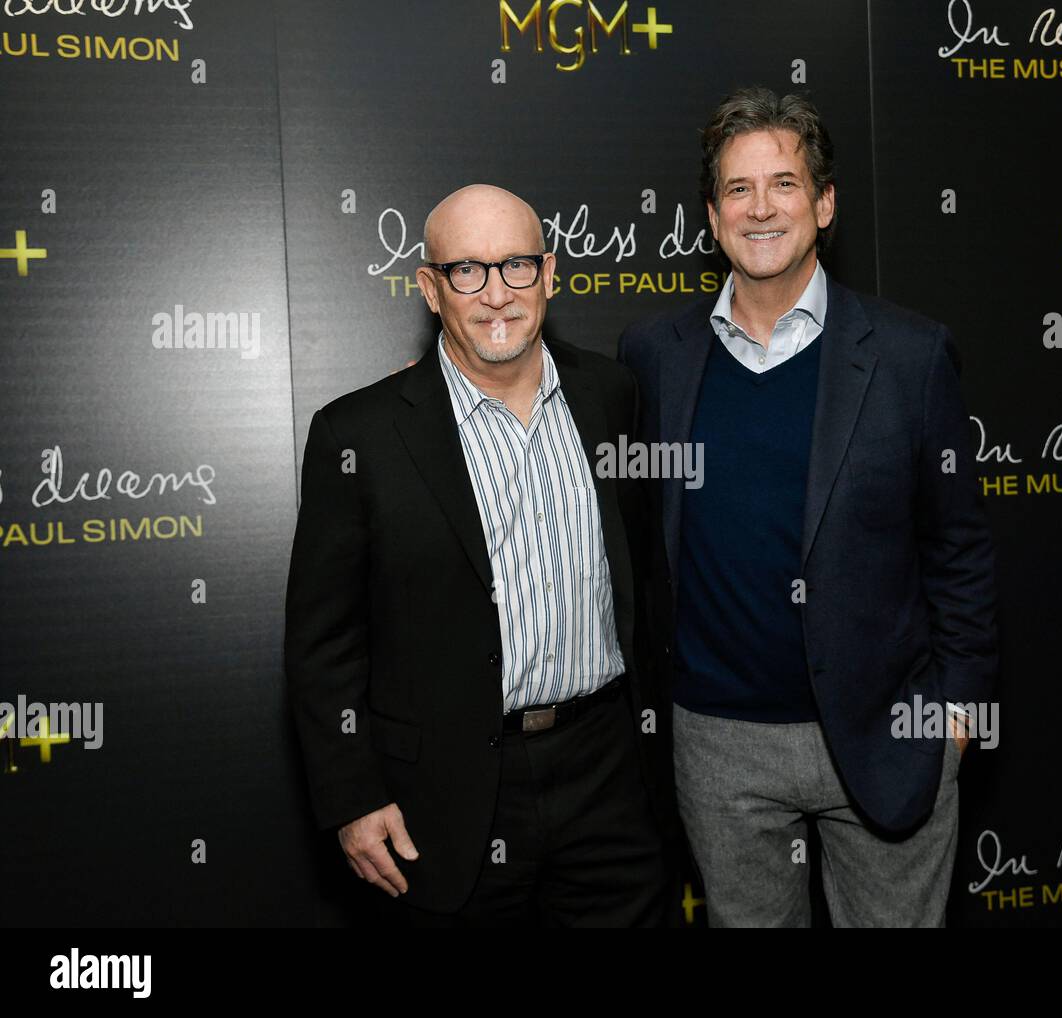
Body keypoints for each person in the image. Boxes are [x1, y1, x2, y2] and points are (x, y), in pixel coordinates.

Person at [617, 87, 999, 927]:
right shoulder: (653, 356)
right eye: (739, 190)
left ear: (823, 205)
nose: (761, 209)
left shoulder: (909, 354)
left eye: (784, 184)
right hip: (717, 742)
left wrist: (959, 713)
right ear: (712, 216)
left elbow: (960, 544)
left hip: (887, 729)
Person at [285, 184, 671, 926]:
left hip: (609, 775)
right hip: (450, 792)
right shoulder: (356, 436)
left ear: (550, 274)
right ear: (431, 288)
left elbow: (647, 578)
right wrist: (353, 795)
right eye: (467, 270)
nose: (496, 293)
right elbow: (322, 644)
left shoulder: (612, 396)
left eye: (517, 265)